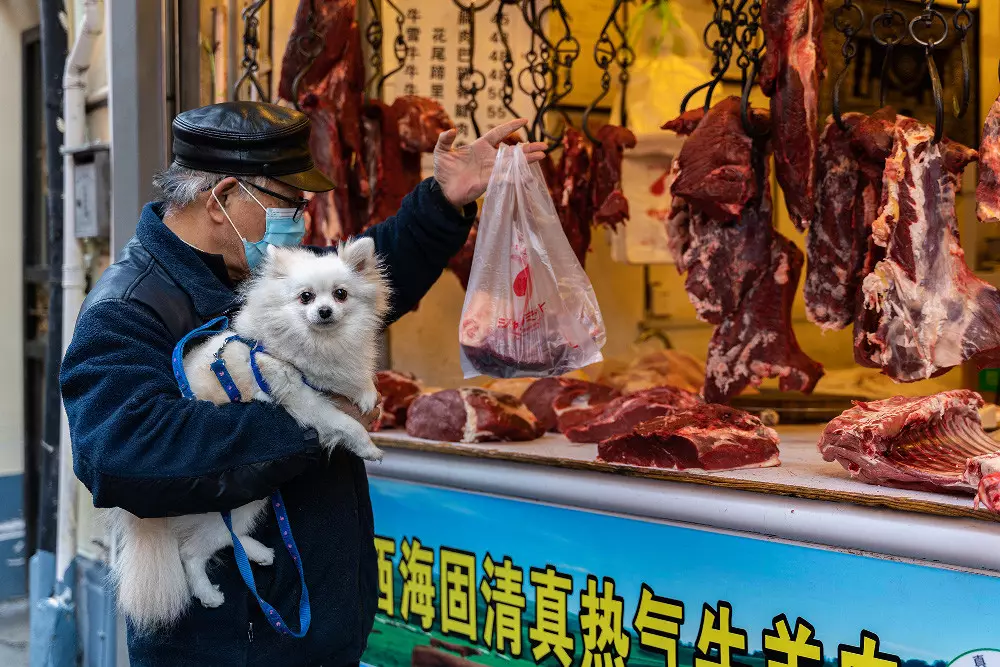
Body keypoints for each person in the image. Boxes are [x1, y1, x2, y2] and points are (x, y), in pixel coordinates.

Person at [59, 101, 547, 666]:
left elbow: (356, 286)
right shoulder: (128, 307)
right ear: (225, 198)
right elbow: (123, 453)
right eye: (288, 203)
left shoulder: (259, 270)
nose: (301, 220)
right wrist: (311, 422)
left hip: (314, 638)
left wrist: (440, 201)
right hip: (228, 647)